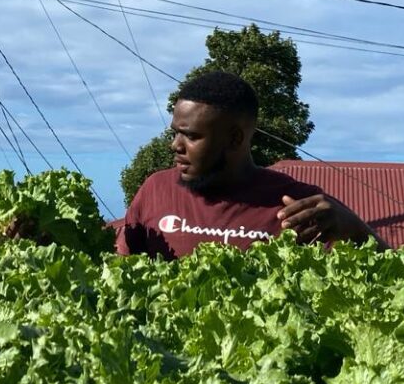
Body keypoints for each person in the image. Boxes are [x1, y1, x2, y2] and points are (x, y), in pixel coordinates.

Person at [117, 70, 381, 259]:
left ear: (235, 139)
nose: (175, 145)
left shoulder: (297, 205)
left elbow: (396, 280)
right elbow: (119, 276)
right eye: (175, 132)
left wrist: (354, 230)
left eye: (192, 136)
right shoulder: (156, 190)